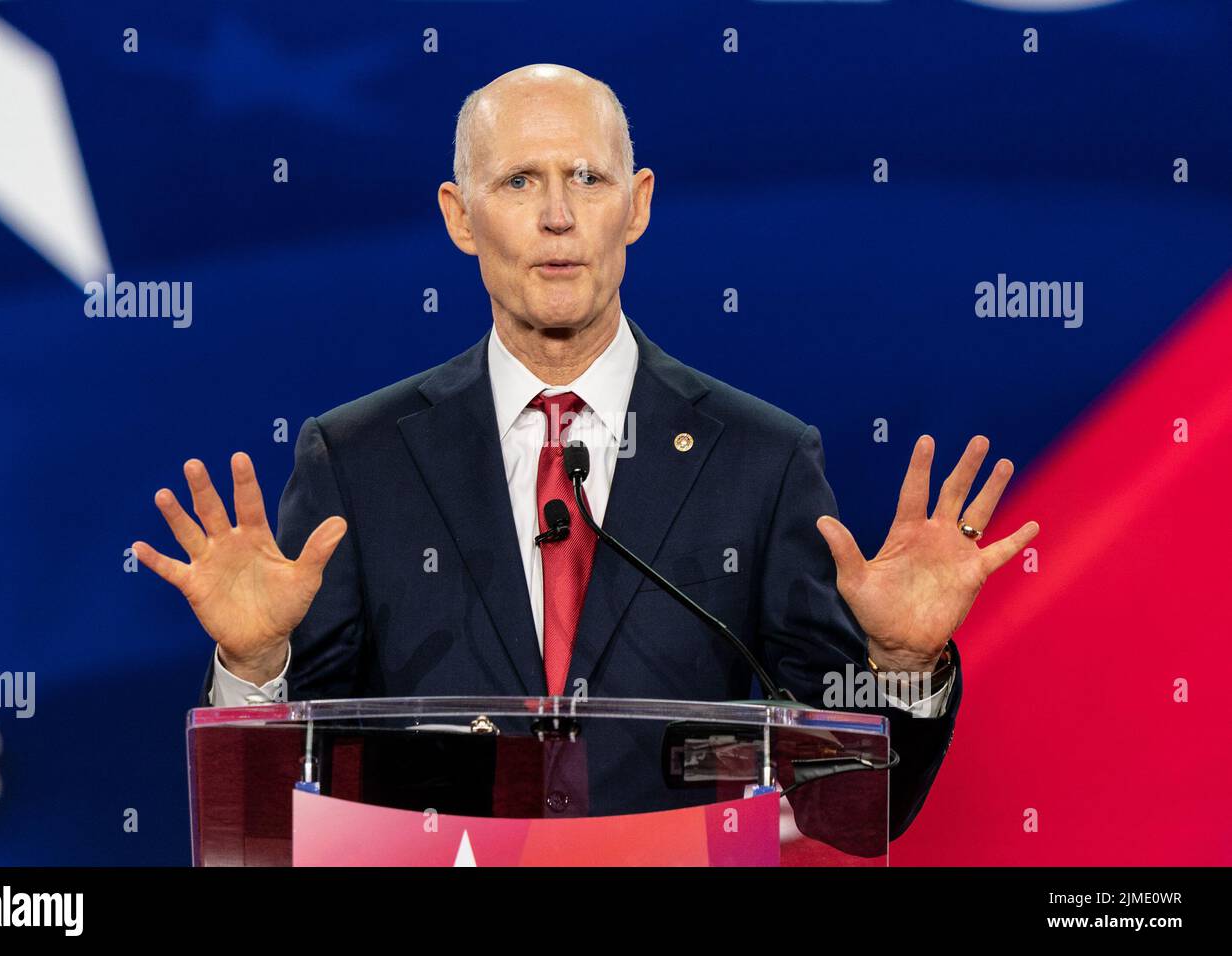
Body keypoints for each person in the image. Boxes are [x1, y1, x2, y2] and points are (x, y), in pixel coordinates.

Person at [133, 64, 1038, 837]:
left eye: (588, 179)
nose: (558, 216)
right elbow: (279, 814)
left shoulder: (761, 463)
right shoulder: (359, 460)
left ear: (637, 205)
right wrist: (255, 672)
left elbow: (849, 815)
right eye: (520, 181)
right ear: (459, 216)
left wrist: (898, 668)